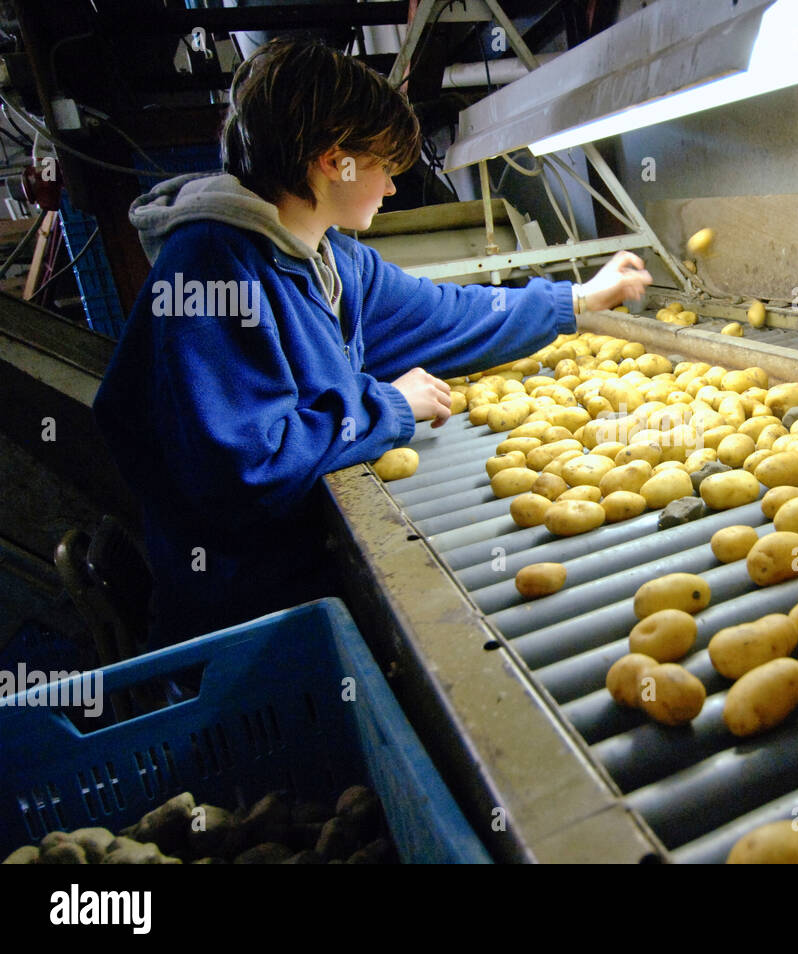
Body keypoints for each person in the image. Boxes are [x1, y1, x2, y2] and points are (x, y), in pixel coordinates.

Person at [94, 39, 652, 650]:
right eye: (386, 166)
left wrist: (578, 300)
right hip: (249, 615)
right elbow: (244, 472)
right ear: (336, 161)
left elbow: (445, 316)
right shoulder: (209, 273)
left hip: (305, 567)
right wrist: (387, 405)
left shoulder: (329, 259)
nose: (390, 188)